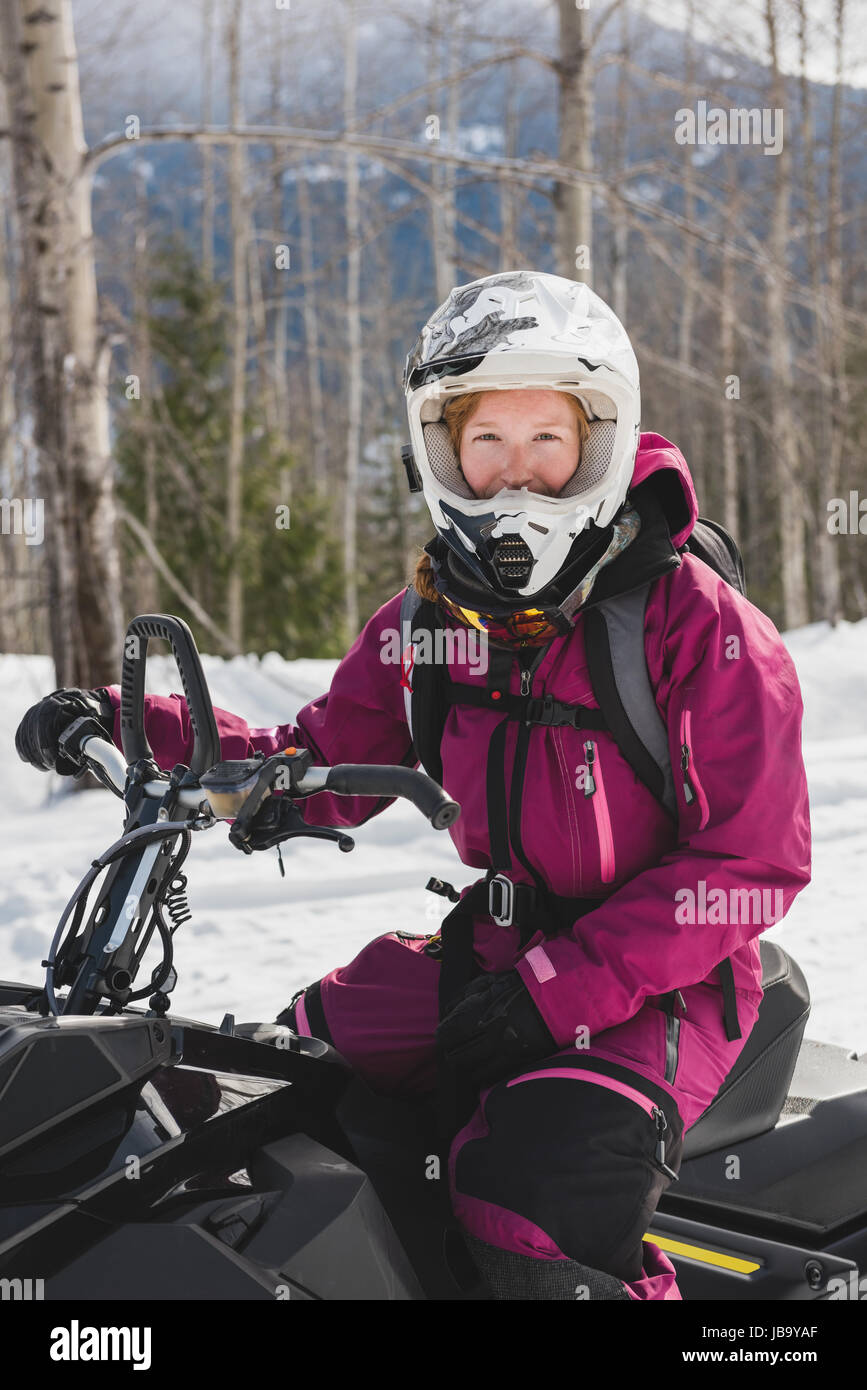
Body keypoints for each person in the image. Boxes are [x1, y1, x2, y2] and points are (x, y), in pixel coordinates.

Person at [15, 271, 812, 1301]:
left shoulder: (698, 628)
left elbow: (752, 865)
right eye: (485, 442)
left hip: (663, 980)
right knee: (271, 1082)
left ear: (598, 447)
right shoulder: (432, 618)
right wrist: (130, 726)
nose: (513, 473)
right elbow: (317, 760)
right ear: (443, 452)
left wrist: (558, 990)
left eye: (545, 440)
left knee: (530, 1197)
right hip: (497, 949)